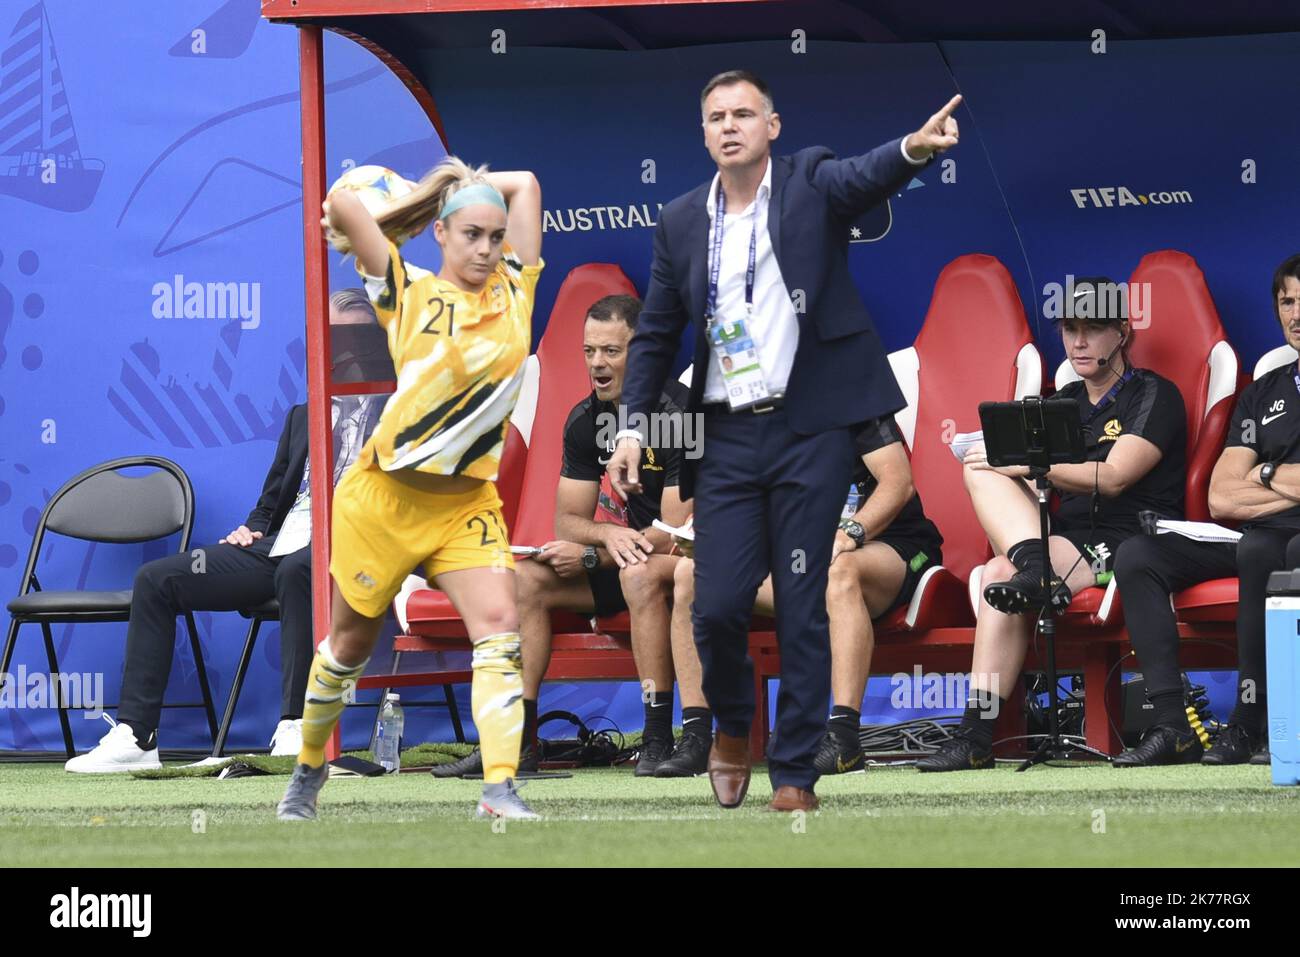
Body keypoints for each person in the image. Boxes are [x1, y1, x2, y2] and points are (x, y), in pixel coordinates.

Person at [608, 68, 961, 811]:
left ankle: (795, 770)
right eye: (716, 116)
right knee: (716, 601)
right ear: (703, 133)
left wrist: (915, 149)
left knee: (802, 604)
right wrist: (634, 425)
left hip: (812, 429)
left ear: (772, 126)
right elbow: (656, 335)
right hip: (729, 435)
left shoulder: (809, 182)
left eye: (744, 113)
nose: (730, 125)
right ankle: (733, 724)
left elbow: (865, 176)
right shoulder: (678, 221)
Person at [276, 158, 544, 821]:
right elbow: (340, 202)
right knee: (348, 648)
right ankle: (308, 771)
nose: (485, 248)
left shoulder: (517, 289)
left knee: (500, 629)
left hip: (466, 506)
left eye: (493, 234)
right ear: (442, 236)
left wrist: (468, 186)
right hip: (383, 501)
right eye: (471, 234)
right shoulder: (405, 288)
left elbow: (527, 184)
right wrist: (431, 195)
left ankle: (499, 788)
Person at [66, 291, 391, 772]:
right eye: (333, 337)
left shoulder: (402, 410)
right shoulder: (304, 416)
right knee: (157, 580)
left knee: (302, 570)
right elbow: (271, 502)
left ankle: (299, 725)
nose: (344, 349)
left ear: (377, 341)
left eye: (355, 337)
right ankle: (138, 738)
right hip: (281, 548)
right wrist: (252, 531)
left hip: (356, 551)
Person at [918, 278, 1188, 772]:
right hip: (1064, 537)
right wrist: (1005, 462)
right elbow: (1031, 482)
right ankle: (976, 736)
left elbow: (1114, 477)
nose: (1079, 342)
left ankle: (1036, 570)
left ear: (1123, 332)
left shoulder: (1153, 393)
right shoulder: (1058, 399)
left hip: (1133, 540)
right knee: (984, 494)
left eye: (1093, 329)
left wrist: (1026, 465)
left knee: (1003, 485)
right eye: (1069, 329)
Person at [430, 293, 693, 779]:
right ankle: (514, 742)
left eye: (612, 351)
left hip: (687, 561)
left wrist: (597, 556)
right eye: (589, 351)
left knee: (639, 574)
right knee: (522, 580)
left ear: (644, 351)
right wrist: (604, 538)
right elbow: (568, 521)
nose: (598, 364)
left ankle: (657, 736)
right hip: (628, 556)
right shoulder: (585, 419)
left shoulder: (678, 412)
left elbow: (674, 529)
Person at [657, 415, 943, 778]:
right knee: (691, 575)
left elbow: (898, 482)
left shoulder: (853, 396)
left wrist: (848, 534)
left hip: (887, 546)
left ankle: (843, 739)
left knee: (838, 571)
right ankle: (698, 737)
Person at [1109, 254, 1300, 767]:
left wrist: (1260, 476)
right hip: (1257, 530)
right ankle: (1174, 725)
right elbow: (1221, 496)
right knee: (1137, 555)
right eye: (1288, 301)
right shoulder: (1264, 393)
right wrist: (1276, 482)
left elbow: (1244, 487)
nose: (1296, 314)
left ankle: (1252, 721)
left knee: (1265, 549)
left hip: (1274, 538)